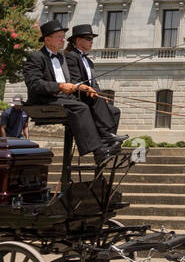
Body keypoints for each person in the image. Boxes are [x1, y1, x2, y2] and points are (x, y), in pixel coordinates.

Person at [22, 21, 125, 163]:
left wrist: (80, 88)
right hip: (45, 100)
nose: (63, 40)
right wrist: (59, 86)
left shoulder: (62, 58)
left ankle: (108, 140)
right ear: (47, 39)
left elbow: (72, 82)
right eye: (59, 37)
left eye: (63, 37)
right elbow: (34, 84)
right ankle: (97, 149)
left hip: (64, 97)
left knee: (102, 103)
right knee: (81, 107)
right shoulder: (36, 57)